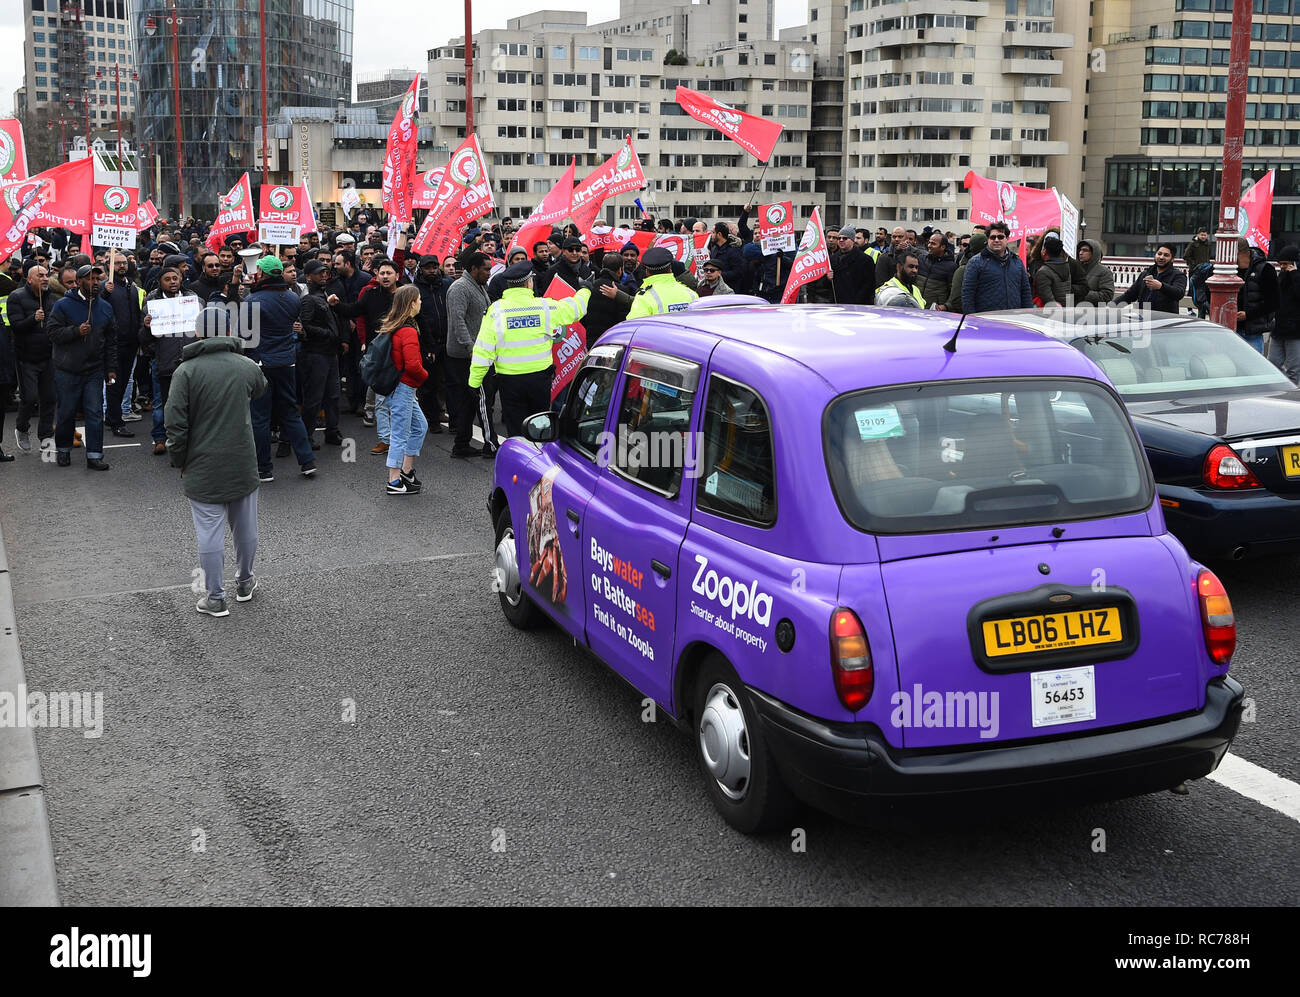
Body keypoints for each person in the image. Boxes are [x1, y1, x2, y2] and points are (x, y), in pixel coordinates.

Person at [165, 307, 268, 617]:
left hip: (201, 462)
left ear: (197, 333)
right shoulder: (246, 365)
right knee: (245, 527)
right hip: (242, 459)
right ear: (228, 330)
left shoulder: (185, 371)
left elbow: (175, 424)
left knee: (209, 532)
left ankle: (215, 596)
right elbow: (260, 389)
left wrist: (178, 459)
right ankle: (245, 582)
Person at [469, 261, 592, 438]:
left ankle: (519, 461)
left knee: (515, 428)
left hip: (510, 381)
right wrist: (585, 289)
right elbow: (575, 309)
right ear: (529, 283)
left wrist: (474, 382)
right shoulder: (544, 307)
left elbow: (483, 351)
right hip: (539, 380)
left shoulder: (496, 311)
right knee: (540, 425)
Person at [246, 255, 316, 480]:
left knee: (260, 417)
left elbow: (246, 335)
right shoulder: (293, 297)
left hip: (262, 363)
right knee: (290, 413)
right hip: (287, 361)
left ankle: (264, 468)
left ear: (264, 273)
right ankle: (307, 461)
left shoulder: (252, 300)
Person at [46, 264, 118, 470]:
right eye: (90, 279)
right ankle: (63, 450)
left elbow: (111, 341)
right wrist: (76, 331)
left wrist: (111, 368)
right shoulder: (63, 305)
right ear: (79, 281)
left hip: (94, 370)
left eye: (97, 279)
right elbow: (52, 333)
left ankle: (95, 455)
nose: (95, 283)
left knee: (94, 412)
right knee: (67, 412)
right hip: (67, 369)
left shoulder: (105, 307)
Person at [373, 285, 429, 495]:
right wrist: (426, 377)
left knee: (420, 426)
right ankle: (394, 482)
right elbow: (413, 366)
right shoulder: (408, 331)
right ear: (411, 303)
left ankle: (406, 471)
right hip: (403, 388)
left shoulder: (395, 325)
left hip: (398, 387)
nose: (421, 302)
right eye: (419, 299)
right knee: (400, 435)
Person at [142, 265, 199, 456]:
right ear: (160, 282)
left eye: (175, 278)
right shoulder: (152, 303)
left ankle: (190, 440)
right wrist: (147, 327)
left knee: (191, 403)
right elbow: (143, 338)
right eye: (167, 279)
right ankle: (161, 438)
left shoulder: (194, 300)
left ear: (181, 279)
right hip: (164, 362)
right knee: (163, 403)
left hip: (190, 361)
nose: (172, 282)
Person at [446, 252, 496, 457]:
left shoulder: (480, 286)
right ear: (473, 269)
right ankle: (491, 444)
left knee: (469, 400)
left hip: (479, 351)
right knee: (482, 400)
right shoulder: (459, 288)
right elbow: (458, 322)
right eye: (486, 269)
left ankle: (461, 444)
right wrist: (471, 348)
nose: (489, 273)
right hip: (467, 356)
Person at [6, 264, 58, 454]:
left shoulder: (50, 298)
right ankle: (21, 428)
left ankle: (45, 436)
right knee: (29, 398)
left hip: (48, 356)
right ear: (29, 279)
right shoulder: (17, 297)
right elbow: (16, 326)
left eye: (46, 275)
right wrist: (33, 319)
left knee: (50, 398)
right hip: (26, 357)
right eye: (40, 275)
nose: (45, 278)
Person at [298, 260, 344, 447]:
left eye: (325, 272)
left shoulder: (321, 295)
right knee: (314, 397)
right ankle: (306, 436)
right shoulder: (308, 299)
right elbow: (306, 326)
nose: (324, 275)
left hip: (329, 353)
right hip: (316, 354)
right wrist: (329, 334)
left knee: (333, 395)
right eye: (319, 273)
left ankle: (332, 431)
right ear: (308, 277)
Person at [961, 222, 1033, 314]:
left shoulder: (1017, 262)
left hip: (1014, 320)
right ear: (987, 239)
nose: (996, 240)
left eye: (1000, 237)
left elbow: (1025, 291)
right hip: (987, 321)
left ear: (1007, 239)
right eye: (992, 237)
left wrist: (1027, 315)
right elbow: (967, 295)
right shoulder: (975, 262)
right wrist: (972, 319)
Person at [626, 247, 699, 319]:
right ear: (670, 270)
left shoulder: (644, 298)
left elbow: (633, 327)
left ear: (647, 272)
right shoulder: (692, 294)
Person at [1234, 239, 1278, 354]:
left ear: (1237, 252)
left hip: (1252, 331)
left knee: (1253, 368)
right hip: (1230, 329)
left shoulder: (1266, 269)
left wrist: (1248, 315)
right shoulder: (1229, 269)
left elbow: (1273, 302)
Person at [1117, 243, 1187, 315]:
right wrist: (1110, 306)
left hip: (1165, 320)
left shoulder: (1178, 275)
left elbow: (1179, 293)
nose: (1161, 257)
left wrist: (1161, 286)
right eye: (1159, 254)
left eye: (1166, 255)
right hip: (1143, 318)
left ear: (1172, 259)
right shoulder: (1145, 273)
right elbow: (1129, 295)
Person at [1271, 245, 1300, 382]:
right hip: (1279, 327)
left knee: (1293, 369)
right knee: (1273, 364)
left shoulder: (1296, 276)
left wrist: (1295, 274)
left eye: (1286, 264)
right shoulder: (1281, 277)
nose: (1283, 267)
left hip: (1295, 330)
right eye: (1281, 264)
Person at [832, 225, 874, 304]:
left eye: (844, 238)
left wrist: (857, 302)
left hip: (858, 305)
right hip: (838, 304)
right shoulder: (833, 259)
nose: (841, 240)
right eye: (839, 238)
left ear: (852, 240)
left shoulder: (865, 260)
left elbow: (868, 285)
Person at [916, 232, 957, 310]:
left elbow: (953, 292)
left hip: (935, 311)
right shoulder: (921, 259)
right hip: (917, 307)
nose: (929, 246)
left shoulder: (951, 267)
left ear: (943, 247)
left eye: (933, 244)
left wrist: (946, 306)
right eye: (929, 243)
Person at [1033, 236, 1076, 307]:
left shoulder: (1044, 272)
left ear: (1044, 251)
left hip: (1050, 313)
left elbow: (1047, 297)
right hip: (1066, 309)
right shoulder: (1067, 267)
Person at [1075, 240, 1116, 305]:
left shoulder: (1104, 272)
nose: (1080, 253)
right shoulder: (1074, 269)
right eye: (1080, 250)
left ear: (1094, 252)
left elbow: (1107, 296)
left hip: (1093, 313)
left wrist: (1081, 293)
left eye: (1085, 250)